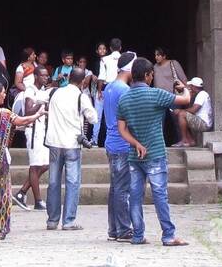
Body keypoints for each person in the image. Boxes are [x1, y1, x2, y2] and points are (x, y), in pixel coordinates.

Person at [116, 57, 192, 247]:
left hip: (135, 156)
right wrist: (183, 88)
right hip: (156, 154)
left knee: (134, 197)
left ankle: (138, 235)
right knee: (160, 195)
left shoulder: (124, 98)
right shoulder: (156, 95)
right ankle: (168, 235)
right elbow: (186, 100)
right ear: (149, 76)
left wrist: (137, 144)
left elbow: (122, 130)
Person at [0, 81, 45, 241]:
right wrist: (38, 114)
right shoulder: (3, 113)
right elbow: (22, 121)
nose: (5, 95)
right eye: (3, 92)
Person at [44, 66, 98, 231]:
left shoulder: (54, 92)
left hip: (54, 142)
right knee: (72, 182)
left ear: (68, 78)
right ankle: (68, 221)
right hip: (72, 144)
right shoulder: (81, 96)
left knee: (53, 182)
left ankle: (52, 221)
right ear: (82, 82)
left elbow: (39, 98)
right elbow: (94, 118)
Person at [101, 53, 135, 242]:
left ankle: (113, 229)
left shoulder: (109, 88)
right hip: (122, 143)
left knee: (115, 188)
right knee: (123, 189)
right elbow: (128, 120)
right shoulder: (125, 90)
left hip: (111, 142)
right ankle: (123, 229)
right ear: (129, 69)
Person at [13, 66, 52, 211]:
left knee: (46, 164)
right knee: (35, 166)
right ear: (36, 76)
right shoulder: (30, 91)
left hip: (41, 131)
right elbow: (29, 110)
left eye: (47, 76)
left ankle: (22, 193)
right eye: (43, 76)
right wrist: (41, 103)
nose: (46, 78)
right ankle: (38, 201)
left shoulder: (41, 91)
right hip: (33, 131)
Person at [94, 38, 121, 144]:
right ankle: (114, 140)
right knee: (116, 116)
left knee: (99, 116)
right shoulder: (124, 58)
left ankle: (95, 141)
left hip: (106, 88)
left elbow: (101, 77)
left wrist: (100, 91)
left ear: (109, 48)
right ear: (120, 48)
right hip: (120, 88)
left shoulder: (104, 59)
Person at [175, 77, 213, 146]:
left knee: (181, 114)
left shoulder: (201, 94)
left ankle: (184, 140)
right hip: (204, 122)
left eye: (191, 86)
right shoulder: (201, 94)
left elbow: (194, 109)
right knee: (183, 117)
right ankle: (191, 141)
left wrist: (180, 110)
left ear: (195, 87)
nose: (190, 88)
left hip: (203, 123)